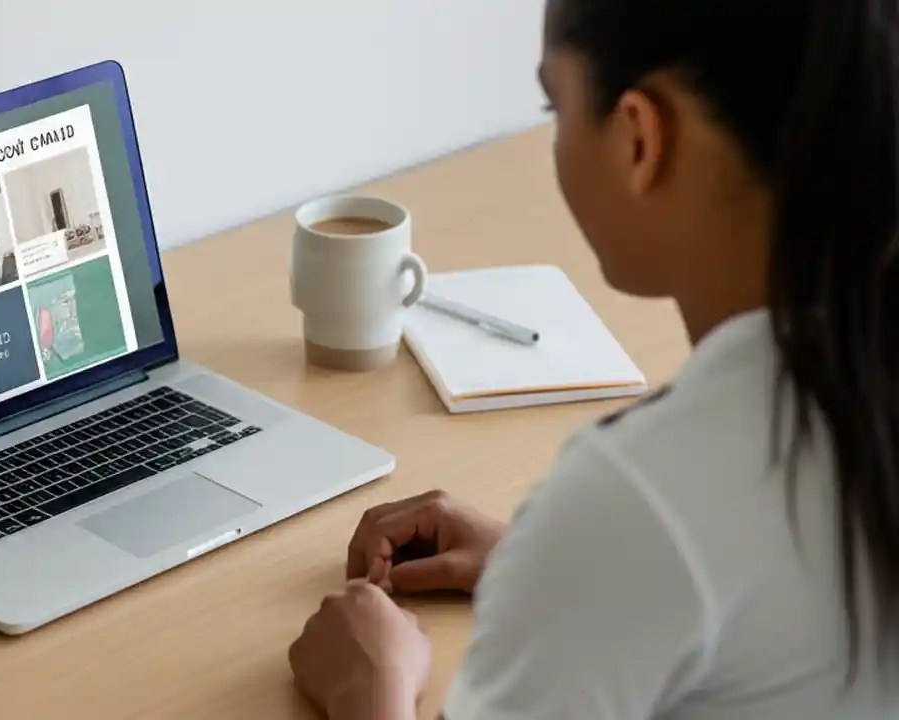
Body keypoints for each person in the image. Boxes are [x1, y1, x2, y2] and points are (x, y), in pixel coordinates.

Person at [288, 0, 899, 718]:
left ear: (641, 137)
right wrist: (569, 575)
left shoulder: (645, 495)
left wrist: (372, 686)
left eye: (555, 105)